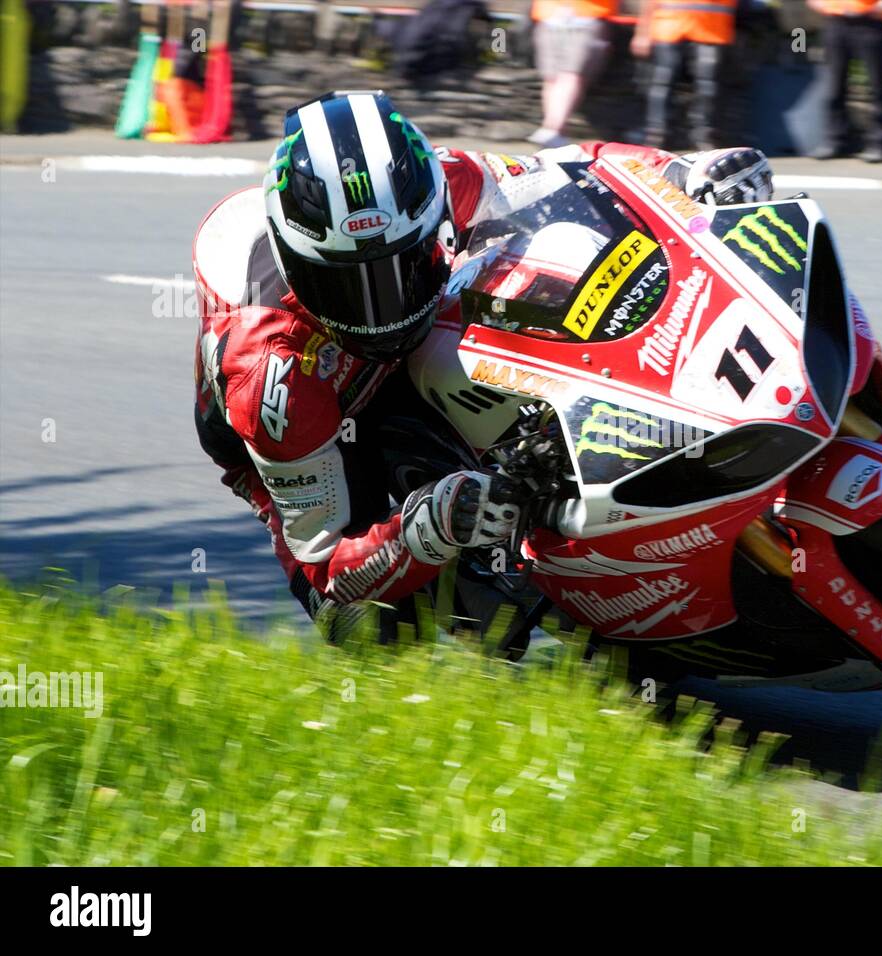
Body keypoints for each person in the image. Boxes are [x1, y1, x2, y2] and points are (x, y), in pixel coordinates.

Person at [192, 90, 775, 642]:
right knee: (370, 629)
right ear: (298, 265)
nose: (383, 308)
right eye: (348, 283)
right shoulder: (268, 374)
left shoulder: (446, 178)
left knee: (535, 268)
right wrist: (429, 529)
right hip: (320, 415)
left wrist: (684, 175)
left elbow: (578, 169)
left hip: (406, 350)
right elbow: (329, 568)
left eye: (403, 265)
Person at [631, 0, 738, 149]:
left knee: (708, 89)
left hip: (709, 29)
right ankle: (657, 137)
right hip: (670, 28)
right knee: (662, 86)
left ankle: (704, 137)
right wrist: (643, 33)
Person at [809, 0, 882, 162]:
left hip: (870, 22)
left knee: (878, 86)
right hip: (836, 21)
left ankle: (879, 143)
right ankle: (835, 140)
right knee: (834, 87)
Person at [528, 0, 618, 147]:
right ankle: (553, 129)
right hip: (549, 17)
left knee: (571, 74)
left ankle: (553, 128)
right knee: (551, 78)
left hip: (587, 18)